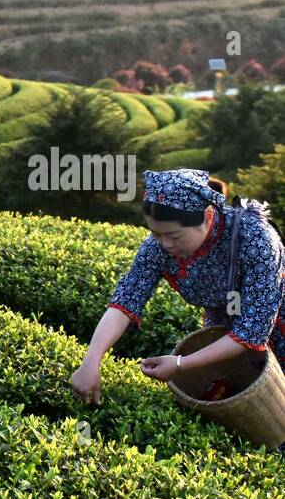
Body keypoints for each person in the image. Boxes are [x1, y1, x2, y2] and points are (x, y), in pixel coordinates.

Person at [72, 170, 285, 408]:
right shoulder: (157, 248)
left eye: (174, 235)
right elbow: (125, 301)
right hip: (223, 333)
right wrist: (90, 361)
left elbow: (252, 330)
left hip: (276, 324)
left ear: (206, 217)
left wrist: (181, 364)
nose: (165, 244)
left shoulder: (255, 237)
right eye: (155, 233)